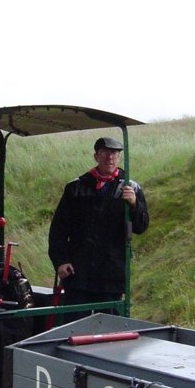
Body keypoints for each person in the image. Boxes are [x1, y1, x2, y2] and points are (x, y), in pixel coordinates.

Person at [48, 136, 149, 322]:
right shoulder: (75, 187)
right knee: (73, 326)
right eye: (105, 153)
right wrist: (61, 261)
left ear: (118, 158)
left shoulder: (131, 188)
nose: (110, 158)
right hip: (78, 273)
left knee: (111, 328)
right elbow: (59, 230)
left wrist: (134, 205)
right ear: (96, 156)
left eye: (114, 154)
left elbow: (141, 226)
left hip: (111, 275)